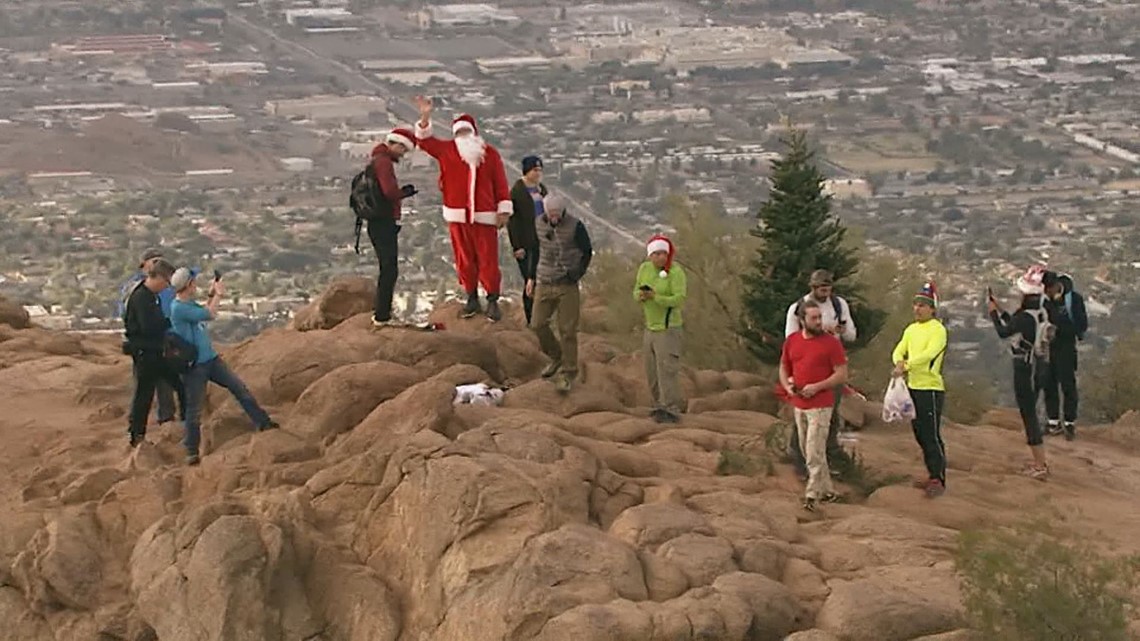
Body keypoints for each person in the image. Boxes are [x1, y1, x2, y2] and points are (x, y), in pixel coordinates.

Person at [413, 95, 512, 322]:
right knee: (464, 258)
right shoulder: (447, 150)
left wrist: (503, 209)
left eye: (466, 132)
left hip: (485, 216)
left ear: (474, 133)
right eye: (459, 133)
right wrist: (426, 116)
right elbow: (424, 142)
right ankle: (471, 298)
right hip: (457, 216)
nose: (462, 137)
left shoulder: (490, 153)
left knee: (488, 259)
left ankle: (493, 300)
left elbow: (500, 183)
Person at [170, 268, 278, 465]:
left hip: (209, 359)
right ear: (188, 285)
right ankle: (191, 451)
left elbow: (201, 312)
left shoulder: (185, 304)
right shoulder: (179, 308)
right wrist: (219, 294)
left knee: (239, 388)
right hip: (195, 366)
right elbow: (209, 314)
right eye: (193, 282)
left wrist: (211, 294)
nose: (196, 285)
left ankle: (263, 422)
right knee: (194, 409)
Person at [783, 269, 857, 480]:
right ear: (812, 288)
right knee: (804, 417)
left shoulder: (838, 305)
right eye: (821, 289)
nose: (825, 292)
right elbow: (791, 340)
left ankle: (826, 459)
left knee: (830, 416)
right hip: (805, 368)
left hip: (831, 368)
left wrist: (840, 331)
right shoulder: (798, 308)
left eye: (828, 288)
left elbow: (852, 334)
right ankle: (800, 460)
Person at [779, 299, 849, 512]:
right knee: (805, 447)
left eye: (820, 317)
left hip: (821, 404)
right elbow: (783, 367)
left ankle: (812, 494)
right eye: (814, 318)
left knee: (814, 449)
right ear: (802, 320)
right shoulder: (792, 341)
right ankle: (827, 490)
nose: (819, 321)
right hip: (799, 402)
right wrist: (787, 386)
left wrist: (818, 386)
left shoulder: (831, 343)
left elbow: (842, 374)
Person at [989, 265, 1054, 480]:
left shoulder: (1025, 316)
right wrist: (1001, 311)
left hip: (1025, 368)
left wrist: (993, 314)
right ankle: (1039, 462)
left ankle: (1040, 464)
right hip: (1039, 365)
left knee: (1029, 415)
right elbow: (1017, 325)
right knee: (1031, 413)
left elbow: (1004, 332)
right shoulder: (1040, 313)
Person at [528, 194, 592, 393]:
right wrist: (530, 277)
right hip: (544, 281)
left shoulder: (575, 226)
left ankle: (568, 372)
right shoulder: (538, 224)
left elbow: (587, 251)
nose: (554, 217)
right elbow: (534, 250)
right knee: (537, 324)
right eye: (551, 214)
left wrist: (577, 273)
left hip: (567, 284)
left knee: (568, 330)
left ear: (563, 212)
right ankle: (556, 356)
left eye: (557, 214)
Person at [891, 282, 949, 498]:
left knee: (931, 433)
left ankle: (938, 477)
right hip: (912, 386)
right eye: (915, 304)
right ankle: (931, 472)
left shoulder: (938, 330)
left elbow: (928, 355)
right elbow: (899, 349)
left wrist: (906, 365)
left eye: (923, 305)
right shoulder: (911, 329)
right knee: (919, 433)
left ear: (932, 308)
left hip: (930, 388)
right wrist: (899, 362)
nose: (917, 309)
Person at [122, 258, 185, 448]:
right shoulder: (141, 297)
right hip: (146, 353)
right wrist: (169, 321)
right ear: (156, 277)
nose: (166, 287)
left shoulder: (148, 295)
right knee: (145, 394)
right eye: (166, 282)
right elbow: (148, 327)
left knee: (179, 386)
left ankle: (186, 425)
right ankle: (136, 435)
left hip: (154, 351)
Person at [367, 127, 418, 327]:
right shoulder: (384, 162)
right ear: (395, 143)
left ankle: (382, 313)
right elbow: (388, 191)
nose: (402, 153)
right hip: (383, 221)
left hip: (377, 220)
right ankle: (382, 315)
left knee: (387, 267)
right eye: (402, 149)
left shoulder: (376, 160)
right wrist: (403, 193)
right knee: (389, 269)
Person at [635, 235, 687, 424]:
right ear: (650, 255)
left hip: (668, 327)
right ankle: (658, 404)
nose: (660, 257)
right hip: (650, 326)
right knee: (652, 370)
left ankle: (671, 407)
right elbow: (635, 291)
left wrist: (656, 297)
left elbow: (679, 298)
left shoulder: (676, 272)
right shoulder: (645, 269)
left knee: (667, 369)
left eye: (663, 253)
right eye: (656, 254)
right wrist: (641, 296)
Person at [1042, 271, 1087, 439]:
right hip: (1048, 348)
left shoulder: (1073, 300)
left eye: (1049, 289)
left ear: (1055, 285)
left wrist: (1059, 329)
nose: (1048, 292)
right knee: (1049, 384)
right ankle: (1053, 421)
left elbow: (1081, 325)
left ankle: (1069, 423)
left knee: (1068, 386)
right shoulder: (1045, 301)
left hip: (1066, 347)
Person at [508, 155, 547, 326]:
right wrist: (517, 245)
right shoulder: (517, 192)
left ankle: (541, 317)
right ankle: (531, 318)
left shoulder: (541, 189)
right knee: (529, 280)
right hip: (526, 242)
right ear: (527, 171)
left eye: (540, 170)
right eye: (535, 170)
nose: (538, 173)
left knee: (541, 278)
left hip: (543, 240)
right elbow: (513, 221)